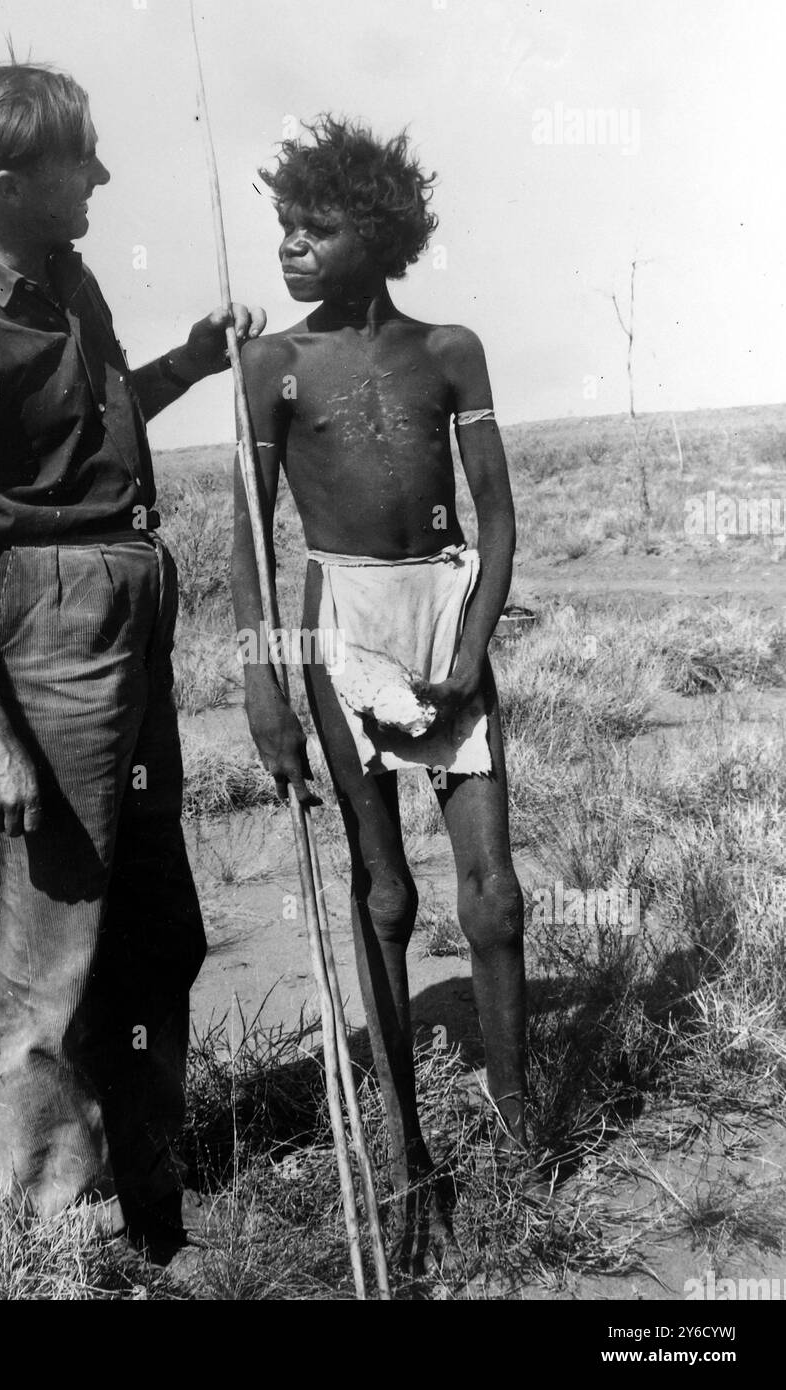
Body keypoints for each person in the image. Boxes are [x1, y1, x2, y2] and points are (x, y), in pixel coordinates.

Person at [0, 61, 265, 1259]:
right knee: (41, 962)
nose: (101, 176)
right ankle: (56, 1238)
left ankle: (150, 1206)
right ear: (4, 182)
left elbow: (88, 433)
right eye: (78, 161)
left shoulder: (61, 278)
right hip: (31, 637)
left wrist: (189, 361)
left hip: (120, 613)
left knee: (154, 929)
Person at [231, 116, 527, 1269]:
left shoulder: (450, 349)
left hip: (446, 610)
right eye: (284, 228)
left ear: (384, 229)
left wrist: (473, 642)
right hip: (338, 620)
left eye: (317, 227)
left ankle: (515, 1141)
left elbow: (496, 515)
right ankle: (410, 1159)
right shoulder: (271, 366)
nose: (293, 247)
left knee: (493, 898)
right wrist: (266, 683)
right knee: (385, 891)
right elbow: (250, 540)